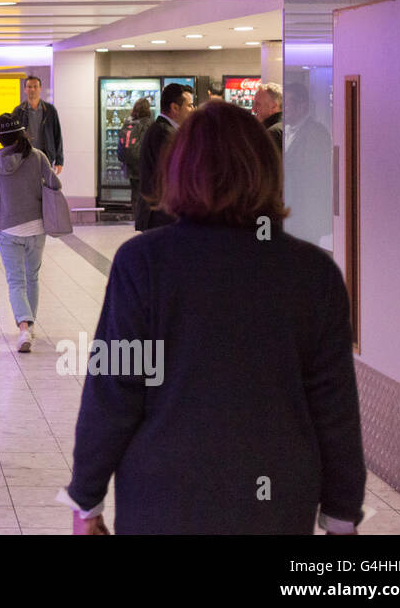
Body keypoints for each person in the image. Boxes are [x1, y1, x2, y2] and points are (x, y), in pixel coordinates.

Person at [59, 101, 365, 534]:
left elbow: (113, 390)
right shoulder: (313, 273)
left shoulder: (144, 263)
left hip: (164, 494)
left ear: (179, 171)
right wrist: (341, 513)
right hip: (277, 496)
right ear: (268, 170)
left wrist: (86, 500)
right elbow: (333, 405)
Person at [0, 113, 62, 353]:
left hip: (7, 229)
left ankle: (24, 327)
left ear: (0, 138)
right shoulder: (38, 157)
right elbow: (55, 185)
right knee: (32, 277)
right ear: (21, 133)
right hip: (37, 227)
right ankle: (30, 325)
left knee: (16, 281)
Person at [135, 83, 193, 232]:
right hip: (159, 216)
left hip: (159, 214)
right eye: (190, 105)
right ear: (175, 108)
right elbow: (173, 175)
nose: (193, 110)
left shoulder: (163, 130)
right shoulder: (164, 134)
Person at [282, 80, 333, 247]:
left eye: (287, 104)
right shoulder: (287, 132)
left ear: (302, 106)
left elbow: (314, 180)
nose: (284, 109)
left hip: (306, 216)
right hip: (292, 213)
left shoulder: (316, 133)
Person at [10, 74, 64, 175]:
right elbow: (13, 137)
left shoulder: (50, 110)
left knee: (45, 187)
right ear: (25, 89)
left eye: (35, 86)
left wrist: (59, 160)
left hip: (46, 156)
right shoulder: (18, 111)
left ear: (40, 89)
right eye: (29, 87)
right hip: (25, 157)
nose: (32, 89)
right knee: (27, 187)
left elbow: (57, 135)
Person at [117, 97, 153, 222]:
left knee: (135, 191)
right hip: (143, 164)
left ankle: (136, 217)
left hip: (130, 165)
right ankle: (144, 218)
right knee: (146, 192)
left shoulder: (129, 122)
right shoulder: (148, 123)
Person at [253, 81, 285, 152]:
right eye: (254, 103)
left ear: (274, 106)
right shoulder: (288, 127)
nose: (253, 109)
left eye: (258, 104)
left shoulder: (273, 133)